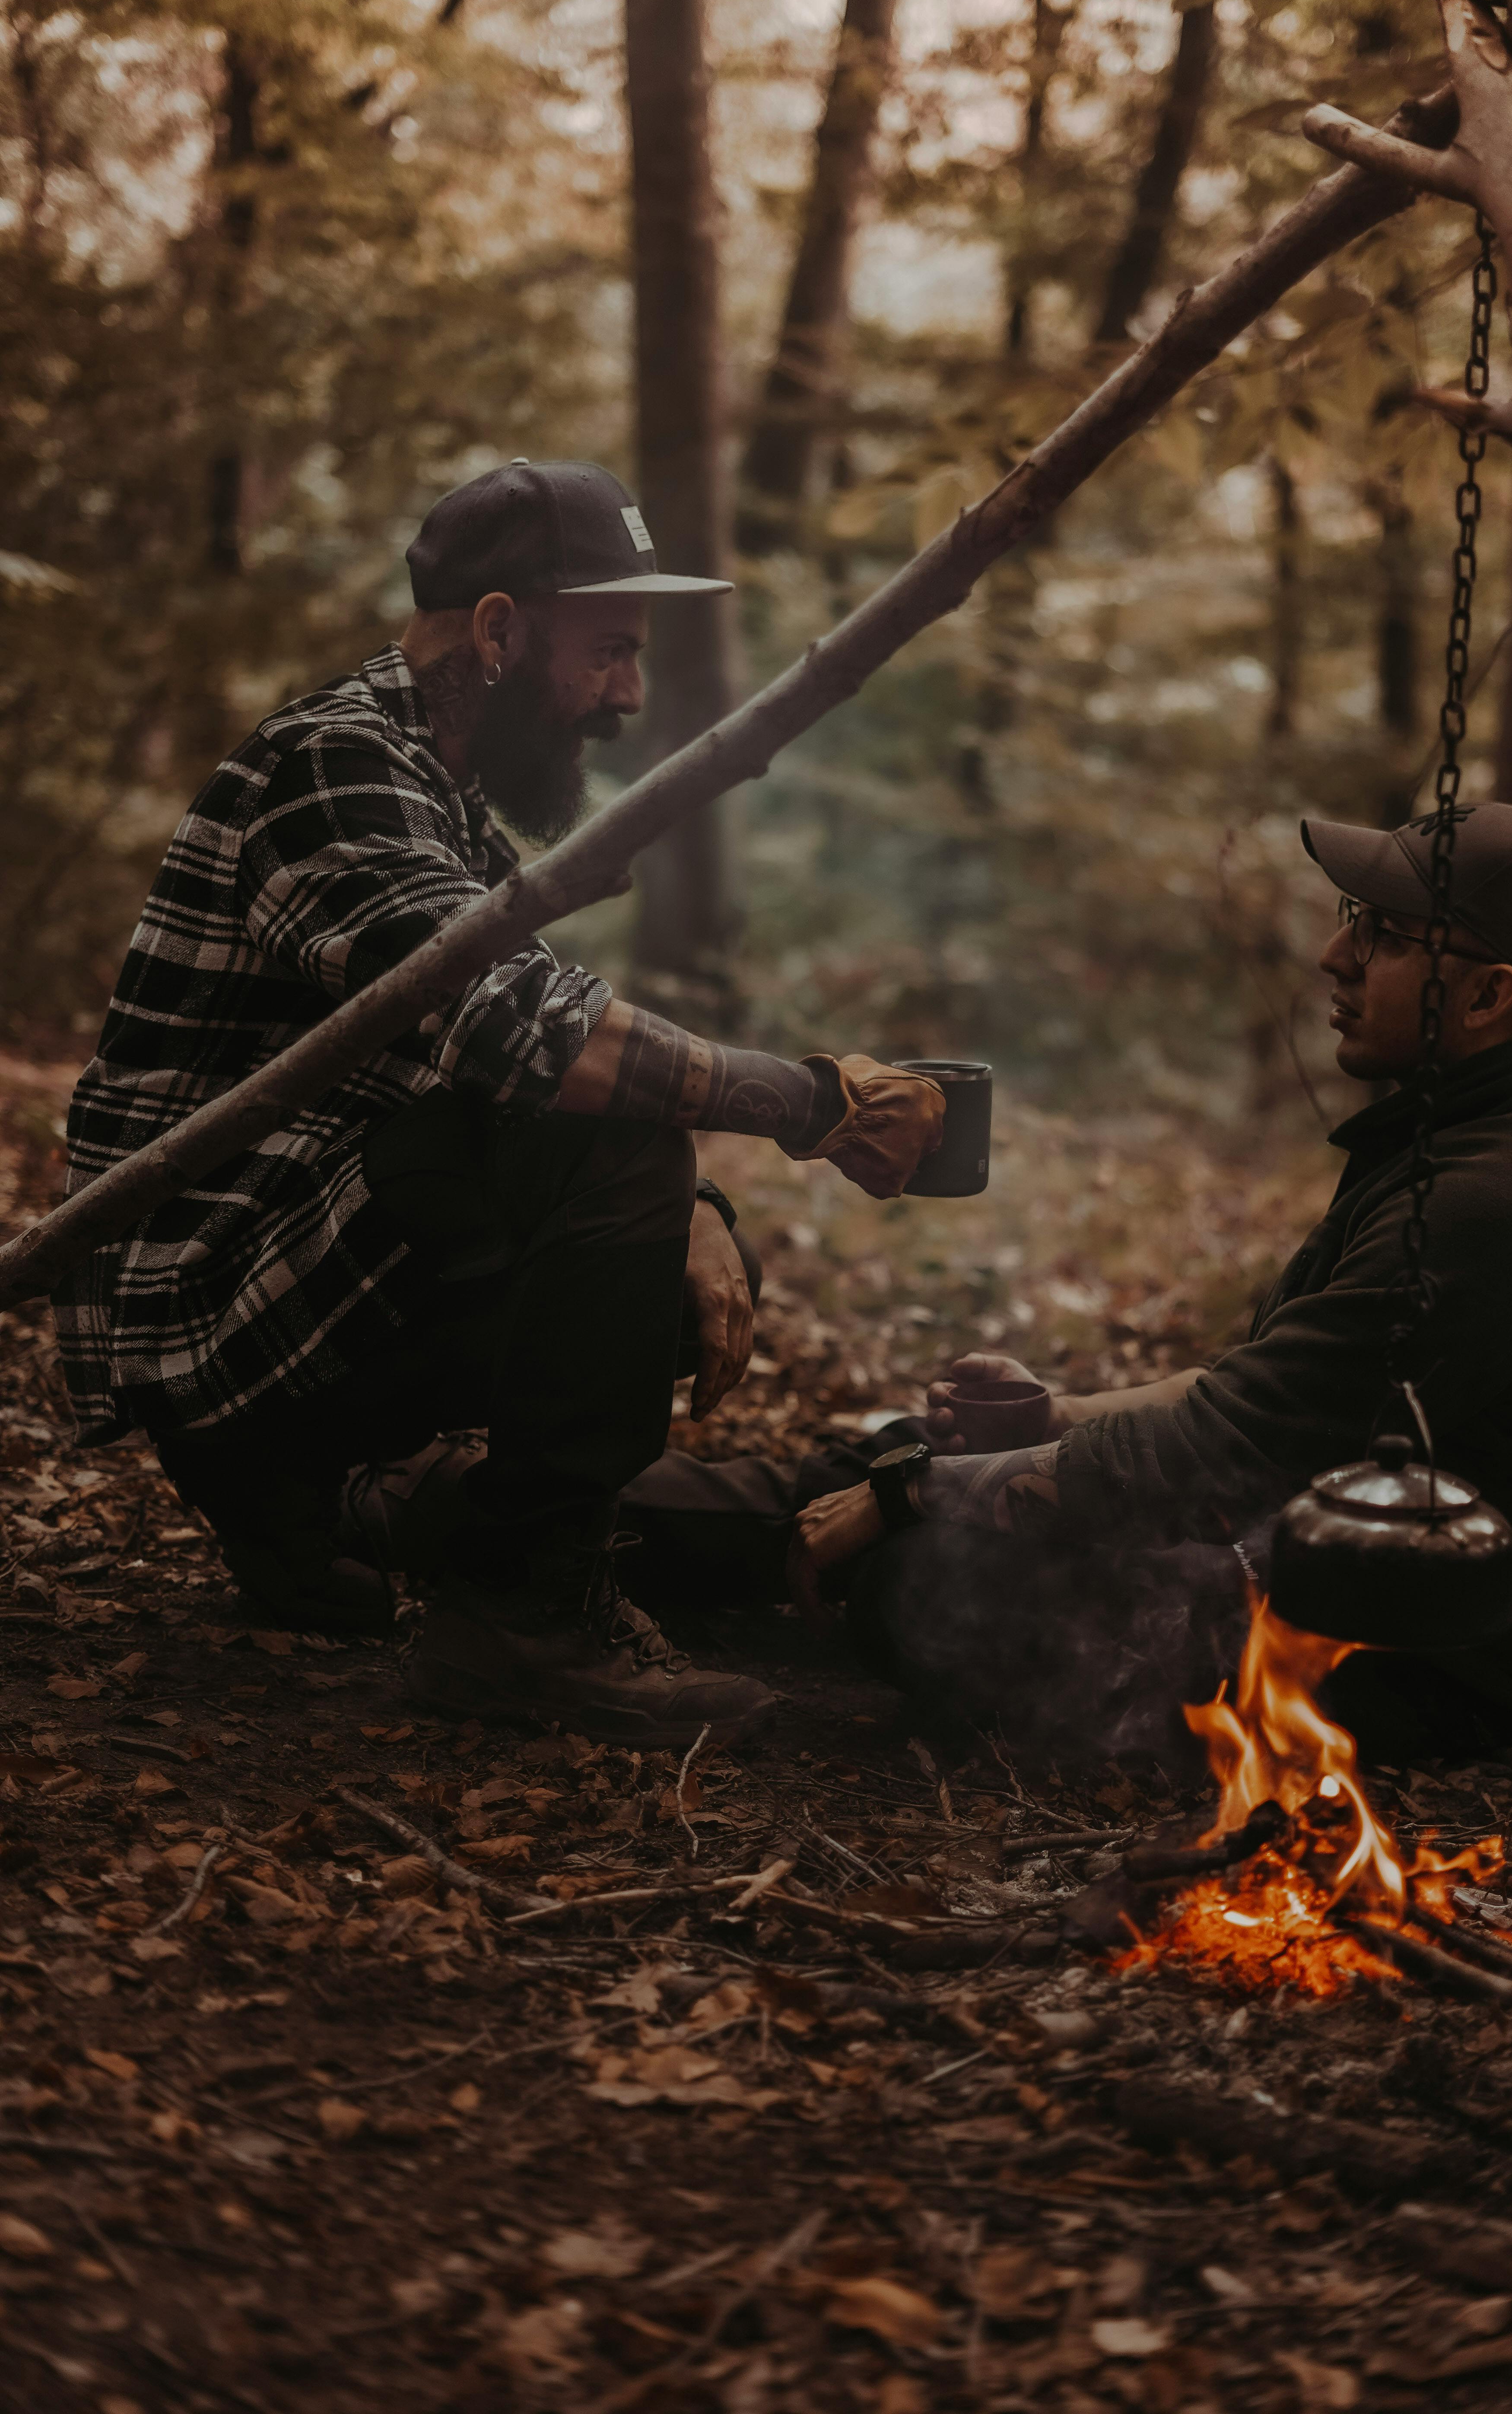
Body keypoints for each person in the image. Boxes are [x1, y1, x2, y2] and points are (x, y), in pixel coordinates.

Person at [52, 459, 943, 1749]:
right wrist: (806, 1102)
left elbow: (501, 1036)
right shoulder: (334, 764)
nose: (626, 697)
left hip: (282, 1277)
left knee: (663, 1197)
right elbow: (516, 1031)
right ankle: (521, 1619)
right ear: (499, 631)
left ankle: (345, 1512)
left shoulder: (436, 786)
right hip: (201, 1305)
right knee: (618, 1137)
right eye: (611, 654)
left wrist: (692, 1197)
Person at [607, 802, 1512, 1766]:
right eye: (1349, 919)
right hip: (1317, 1562)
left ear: (1491, 993)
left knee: (923, 1570)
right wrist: (1044, 1420)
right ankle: (533, 1515)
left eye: (1383, 935)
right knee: (909, 1454)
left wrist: (912, 1498)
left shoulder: (1502, 1203)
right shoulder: (1469, 1131)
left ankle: (680, 1564)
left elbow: (1227, 1451)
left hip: (1407, 1660)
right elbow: (1265, 1392)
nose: (1334, 954)